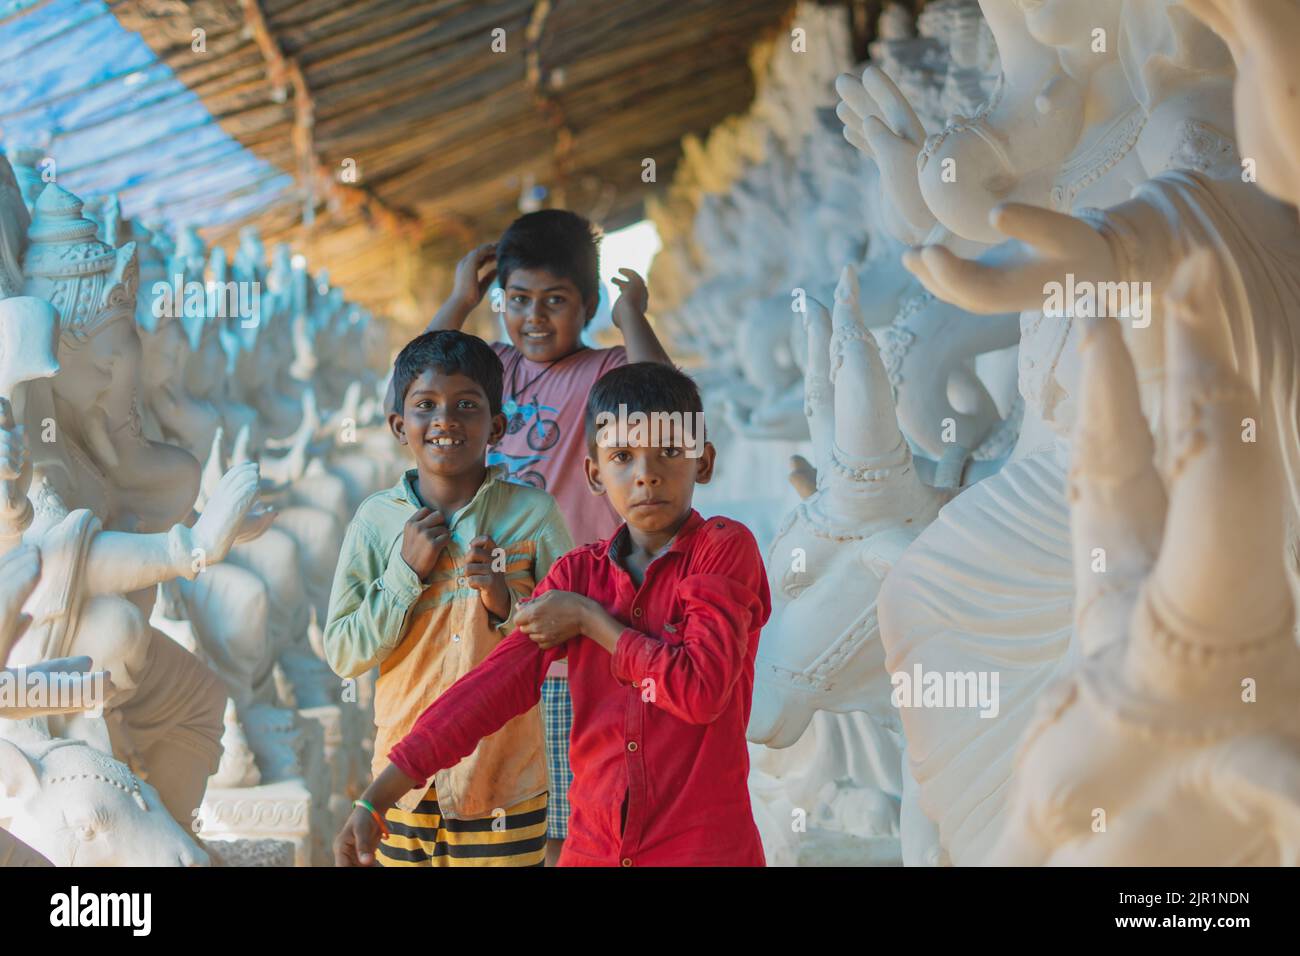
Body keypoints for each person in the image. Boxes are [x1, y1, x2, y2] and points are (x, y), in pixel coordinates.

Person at [335, 363, 771, 866]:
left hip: (704, 850)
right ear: (594, 473)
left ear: (703, 461)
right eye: (623, 456)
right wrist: (380, 793)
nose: (646, 473)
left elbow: (701, 692)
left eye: (670, 451)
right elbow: (491, 688)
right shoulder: (576, 576)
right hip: (595, 850)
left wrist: (592, 623)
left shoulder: (723, 549)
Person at [424, 209, 673, 862]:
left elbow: (666, 407)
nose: (534, 317)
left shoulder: (607, 372)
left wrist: (632, 318)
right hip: (481, 627)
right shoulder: (489, 368)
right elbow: (418, 381)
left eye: (556, 301)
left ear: (587, 304)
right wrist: (459, 300)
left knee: (569, 813)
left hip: (569, 633)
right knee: (489, 806)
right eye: (518, 300)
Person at [324, 330, 572, 866]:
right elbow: (344, 651)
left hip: (502, 779)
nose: (445, 420)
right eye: (425, 405)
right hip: (400, 788)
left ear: (497, 425)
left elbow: (570, 638)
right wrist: (402, 574)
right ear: (398, 426)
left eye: (466, 404)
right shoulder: (376, 522)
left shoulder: (534, 516)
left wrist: (505, 603)